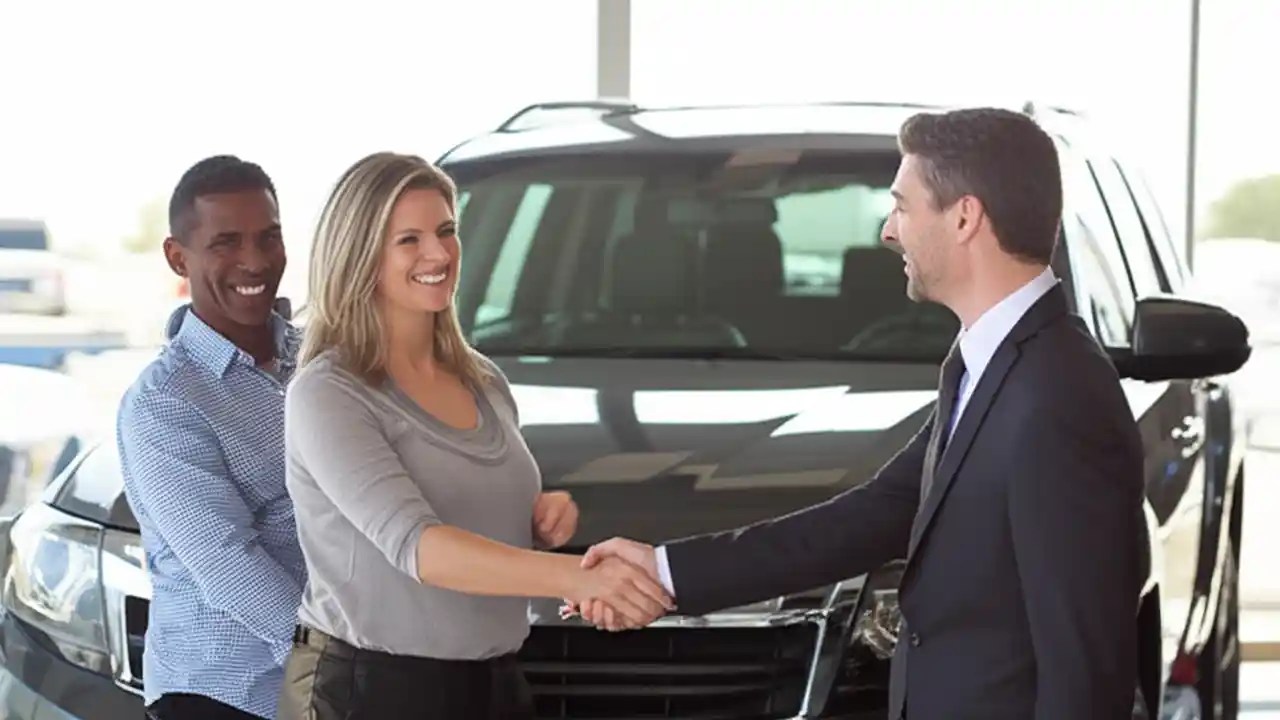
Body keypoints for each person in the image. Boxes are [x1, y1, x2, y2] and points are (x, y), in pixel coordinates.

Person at [576, 108, 1146, 719]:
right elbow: (877, 514)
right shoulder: (993, 364)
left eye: (902, 206)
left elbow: (1087, 665)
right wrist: (666, 569)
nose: (888, 231)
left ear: (964, 217)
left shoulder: (1059, 396)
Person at [276, 151, 674, 720]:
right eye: (409, 240)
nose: (439, 254)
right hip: (369, 692)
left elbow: (475, 525)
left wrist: (537, 519)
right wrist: (581, 577)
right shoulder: (329, 394)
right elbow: (421, 548)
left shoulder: (482, 380)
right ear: (359, 255)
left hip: (494, 683)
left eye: (446, 231)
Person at [117, 155, 306, 720]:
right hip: (229, 696)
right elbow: (230, 565)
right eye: (226, 242)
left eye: (268, 237)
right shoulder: (164, 402)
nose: (256, 260)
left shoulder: (322, 361)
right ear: (178, 257)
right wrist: (344, 662)